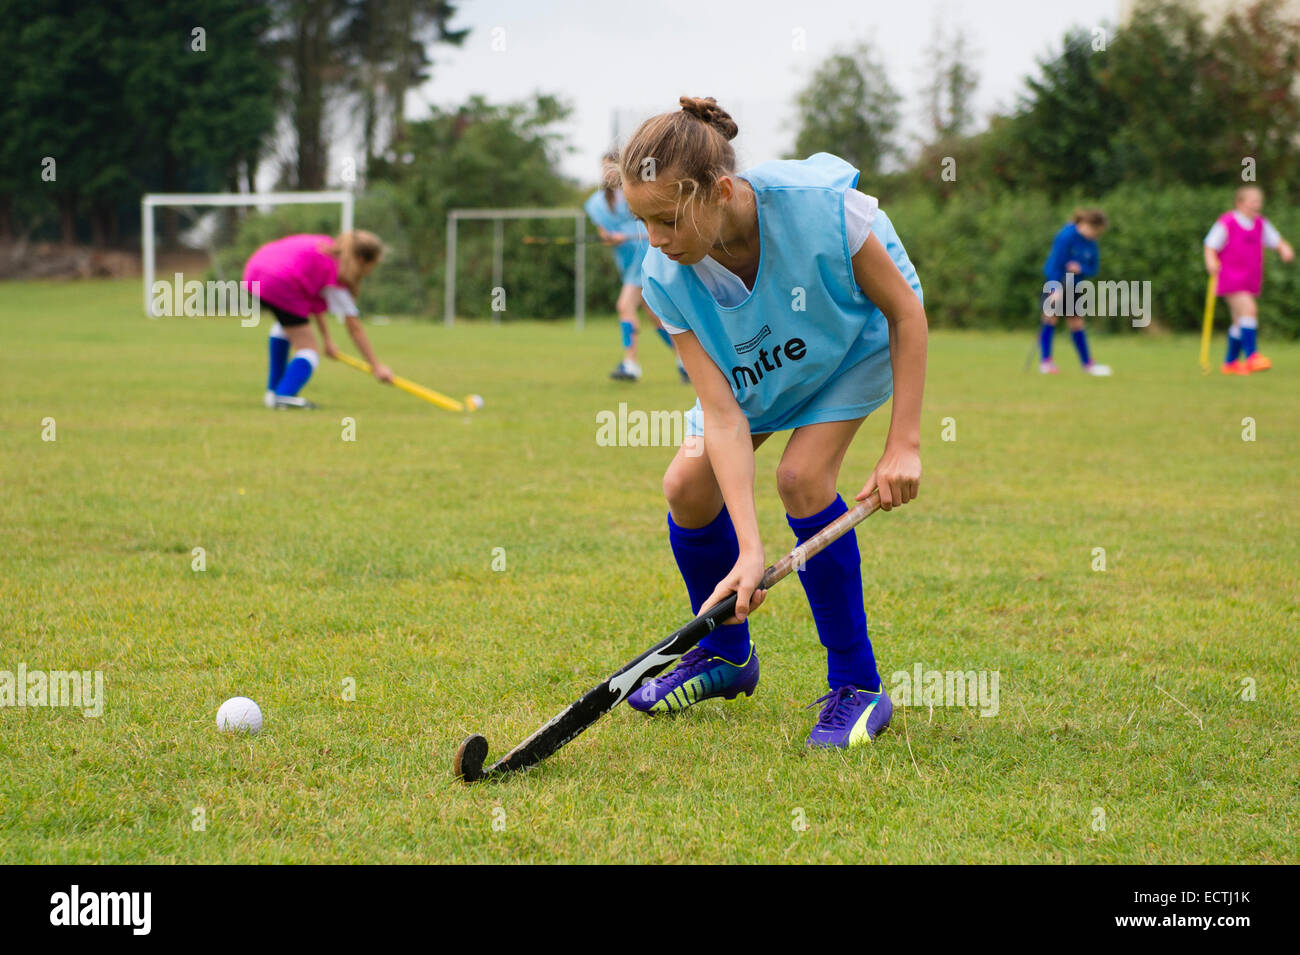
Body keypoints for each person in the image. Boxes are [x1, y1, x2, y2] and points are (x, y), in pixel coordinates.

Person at [619, 97, 928, 750]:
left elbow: (905, 311)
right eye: (642, 222)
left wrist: (904, 443)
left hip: (849, 345)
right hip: (757, 366)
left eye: (667, 219)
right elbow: (723, 417)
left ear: (721, 190)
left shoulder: (822, 208)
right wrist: (751, 549)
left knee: (801, 477)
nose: (655, 239)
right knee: (686, 487)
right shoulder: (663, 275)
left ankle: (858, 683)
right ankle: (728, 654)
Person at [242, 230, 392, 409]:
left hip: (255, 272)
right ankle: (283, 395)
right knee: (309, 350)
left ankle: (273, 393)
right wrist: (376, 366)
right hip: (280, 281)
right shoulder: (338, 271)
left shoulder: (324, 247)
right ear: (362, 260)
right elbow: (354, 328)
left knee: (286, 327)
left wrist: (327, 339)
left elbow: (312, 304)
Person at [584, 150, 687, 382]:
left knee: (624, 306)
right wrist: (612, 238)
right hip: (626, 262)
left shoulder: (638, 193)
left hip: (645, 257)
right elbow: (604, 235)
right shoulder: (596, 203)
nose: (607, 172)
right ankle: (685, 361)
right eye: (604, 167)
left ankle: (630, 364)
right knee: (655, 316)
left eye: (612, 167)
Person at [1203, 186, 1294, 375]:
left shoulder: (1261, 223)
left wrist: (1284, 248)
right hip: (1230, 277)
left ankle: (1230, 363)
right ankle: (1252, 356)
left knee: (1239, 322)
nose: (1257, 205)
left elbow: (1276, 241)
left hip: (1250, 279)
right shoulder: (1227, 222)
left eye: (1259, 201)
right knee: (1249, 310)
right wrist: (1211, 261)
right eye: (1252, 201)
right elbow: (1210, 245)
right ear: (1239, 203)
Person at [1038, 208, 1111, 375]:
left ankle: (1087, 364)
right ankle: (1046, 362)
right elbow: (1055, 264)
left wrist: (1081, 268)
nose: (1095, 235)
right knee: (1050, 318)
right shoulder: (1065, 236)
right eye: (1094, 231)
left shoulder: (1091, 242)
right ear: (1086, 224)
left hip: (1074, 285)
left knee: (1076, 322)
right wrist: (1054, 288)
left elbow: (1093, 268)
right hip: (1056, 282)